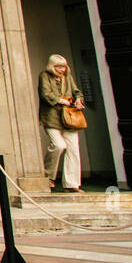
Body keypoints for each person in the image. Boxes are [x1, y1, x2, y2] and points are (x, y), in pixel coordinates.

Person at [39, 54, 85, 192]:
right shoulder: (44, 76)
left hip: (69, 118)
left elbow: (77, 92)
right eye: (58, 67)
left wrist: (78, 100)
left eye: (63, 67)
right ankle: (48, 177)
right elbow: (46, 94)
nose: (61, 70)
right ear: (52, 66)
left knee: (73, 149)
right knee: (59, 145)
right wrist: (61, 100)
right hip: (51, 117)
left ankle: (72, 184)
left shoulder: (68, 77)